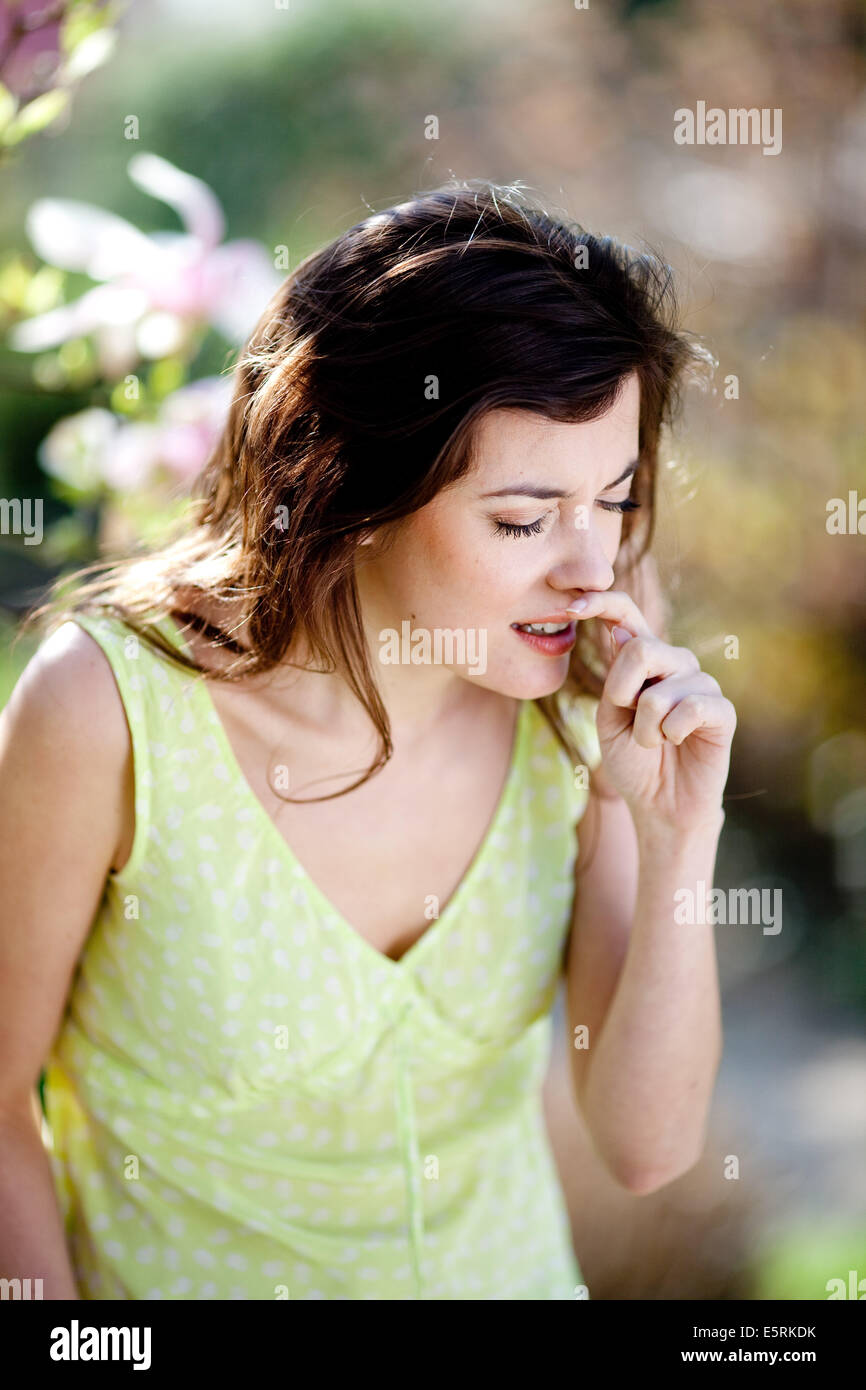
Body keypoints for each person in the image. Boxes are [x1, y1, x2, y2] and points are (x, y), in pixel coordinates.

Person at [0, 180, 735, 1300]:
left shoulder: (590, 682)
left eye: (618, 500)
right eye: (522, 519)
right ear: (348, 485)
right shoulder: (105, 711)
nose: (591, 569)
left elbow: (648, 1146)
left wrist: (678, 836)